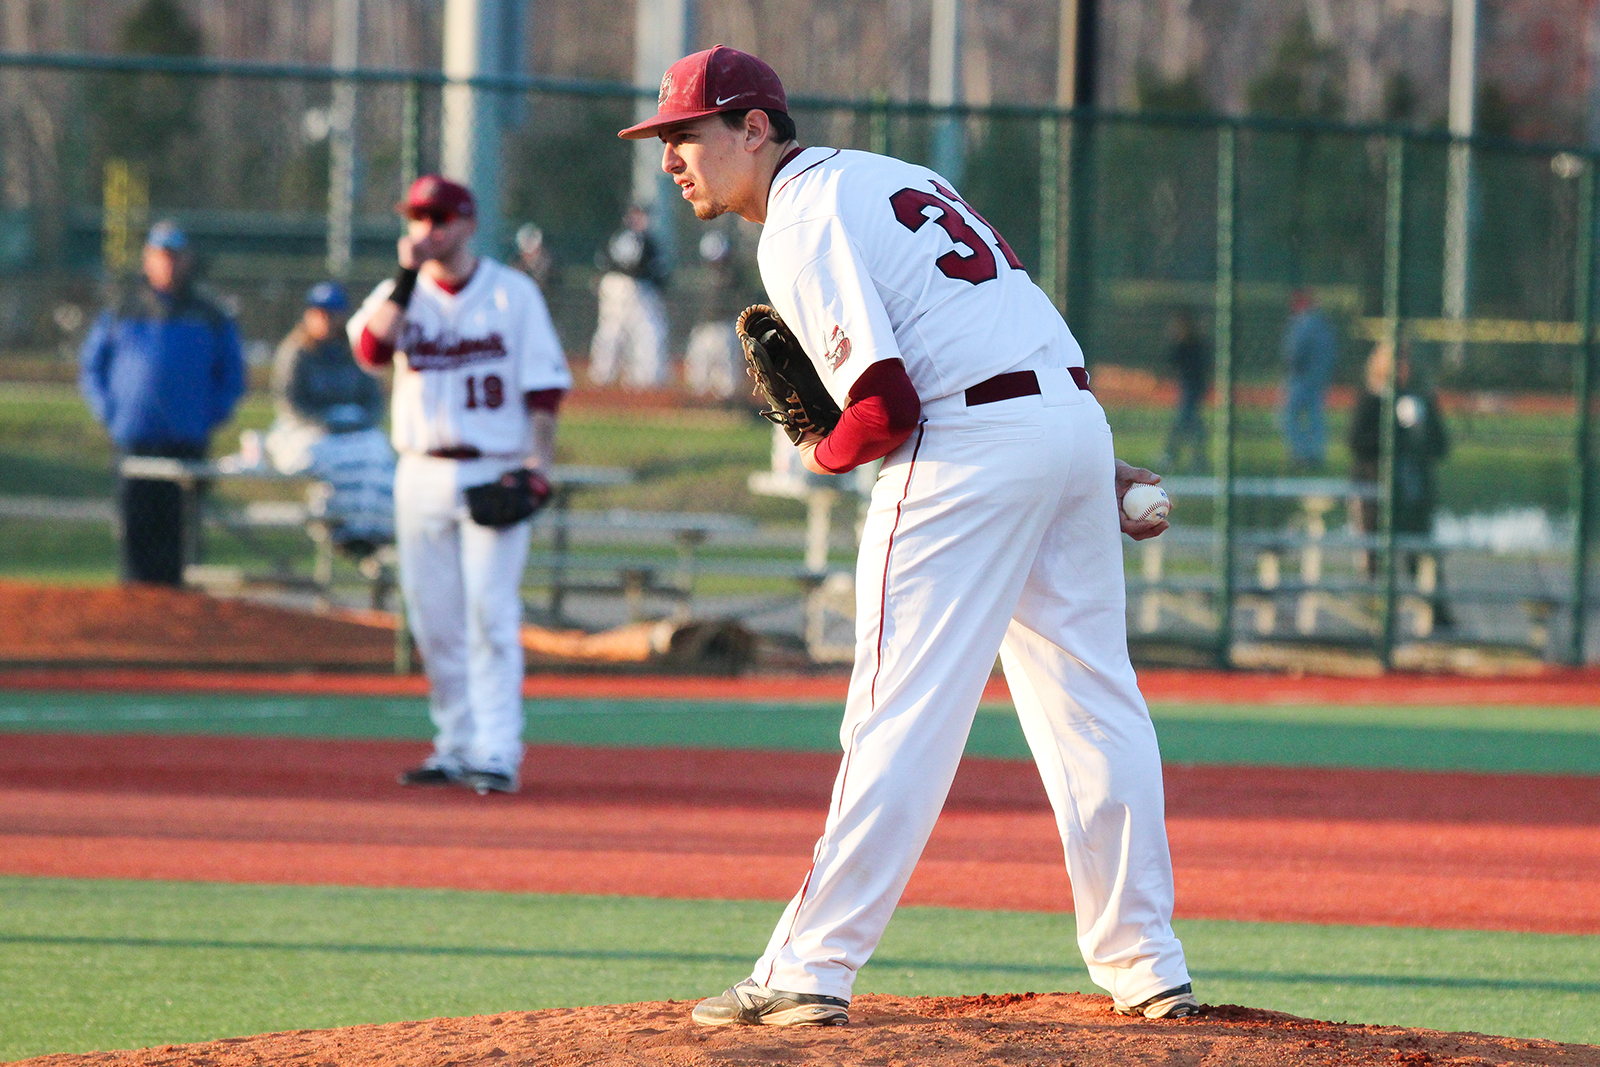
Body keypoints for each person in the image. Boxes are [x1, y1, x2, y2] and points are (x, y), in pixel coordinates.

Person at [620, 45, 1196, 1027]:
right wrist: (1088, 465)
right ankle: (1147, 963)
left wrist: (821, 453)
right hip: (1064, 419)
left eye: (687, 135)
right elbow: (1000, 331)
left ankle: (809, 965)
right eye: (663, 140)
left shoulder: (797, 221)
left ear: (754, 127)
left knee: (898, 712)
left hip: (965, 453)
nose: (670, 158)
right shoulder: (900, 177)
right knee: (1095, 705)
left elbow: (881, 409)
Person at [347, 175, 572, 795]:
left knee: (489, 614)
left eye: (439, 217)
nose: (427, 228)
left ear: (468, 223)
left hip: (492, 465)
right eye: (418, 217)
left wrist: (537, 466)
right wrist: (402, 278)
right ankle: (455, 743)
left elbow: (545, 393)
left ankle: (497, 750)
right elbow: (370, 349)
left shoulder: (512, 294)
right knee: (435, 620)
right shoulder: (402, 294)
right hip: (419, 470)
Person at [79, 220, 245, 585]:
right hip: (134, 442)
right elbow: (92, 366)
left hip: (185, 444)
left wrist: (208, 416)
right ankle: (137, 617)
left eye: (175, 257)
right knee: (136, 537)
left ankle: (181, 622)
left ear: (187, 261)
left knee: (181, 541)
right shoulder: (123, 309)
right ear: (147, 260)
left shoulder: (209, 314)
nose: (168, 265)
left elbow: (232, 374)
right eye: (160, 256)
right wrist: (110, 412)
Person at [265, 281, 394, 553]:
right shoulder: (297, 351)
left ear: (343, 315)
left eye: (330, 312)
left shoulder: (356, 350)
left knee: (377, 452)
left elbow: (373, 400)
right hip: (308, 431)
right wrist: (325, 423)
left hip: (351, 429)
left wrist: (355, 422)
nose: (324, 319)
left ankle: (371, 529)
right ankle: (333, 525)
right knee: (326, 458)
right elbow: (290, 404)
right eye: (318, 312)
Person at [1349, 341, 1452, 625]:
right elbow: (1357, 442)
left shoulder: (1420, 398)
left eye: (1404, 360)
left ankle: (1437, 616)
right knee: (1375, 557)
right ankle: (1374, 616)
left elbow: (1441, 445)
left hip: (1413, 493)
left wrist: (1419, 429)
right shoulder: (1371, 399)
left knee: (1421, 555)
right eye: (1394, 360)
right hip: (1377, 494)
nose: (1401, 367)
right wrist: (1395, 431)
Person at [588, 204, 671, 388]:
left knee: (620, 334)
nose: (642, 219)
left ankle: (610, 377)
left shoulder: (628, 238)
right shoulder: (634, 238)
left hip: (625, 289)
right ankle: (638, 379)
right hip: (628, 288)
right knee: (638, 333)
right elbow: (639, 267)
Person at [1279, 287, 1338, 470]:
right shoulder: (1324, 323)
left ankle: (1300, 454)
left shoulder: (1304, 322)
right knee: (1315, 417)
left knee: (1288, 416)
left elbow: (1294, 352)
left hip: (1301, 376)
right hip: (1318, 377)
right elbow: (1332, 352)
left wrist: (1293, 365)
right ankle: (1314, 454)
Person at [1160, 309, 1210, 473]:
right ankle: (1196, 458)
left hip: (1193, 388)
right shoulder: (1184, 344)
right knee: (1191, 424)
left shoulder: (1193, 345)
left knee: (1184, 423)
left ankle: (1173, 455)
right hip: (1189, 387)